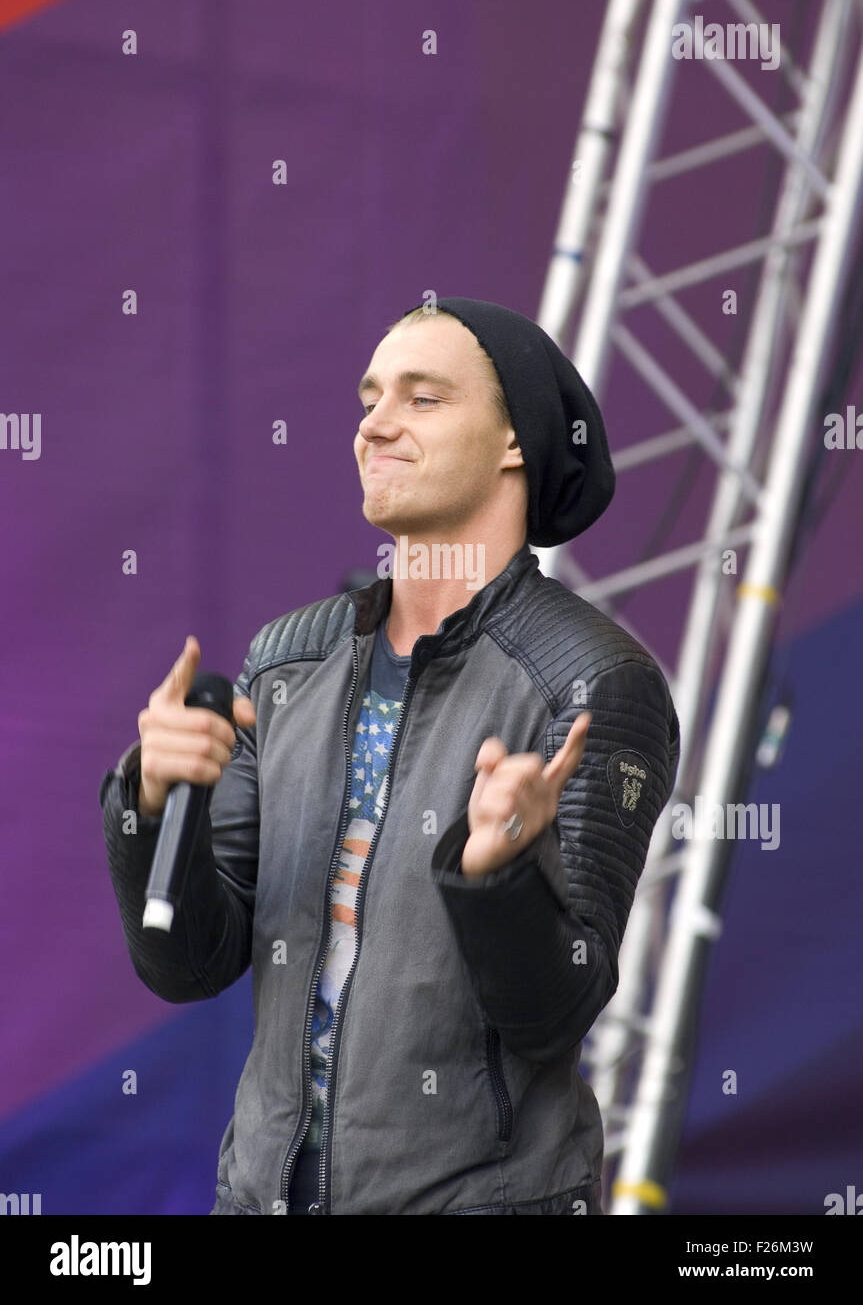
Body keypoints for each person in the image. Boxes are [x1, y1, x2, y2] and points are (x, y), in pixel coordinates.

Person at [100, 296, 680, 1216]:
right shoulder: (287, 659)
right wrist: (153, 799)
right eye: (369, 399)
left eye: (422, 398)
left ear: (514, 442)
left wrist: (496, 873)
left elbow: (555, 1010)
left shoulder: (594, 681)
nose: (374, 424)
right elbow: (187, 963)